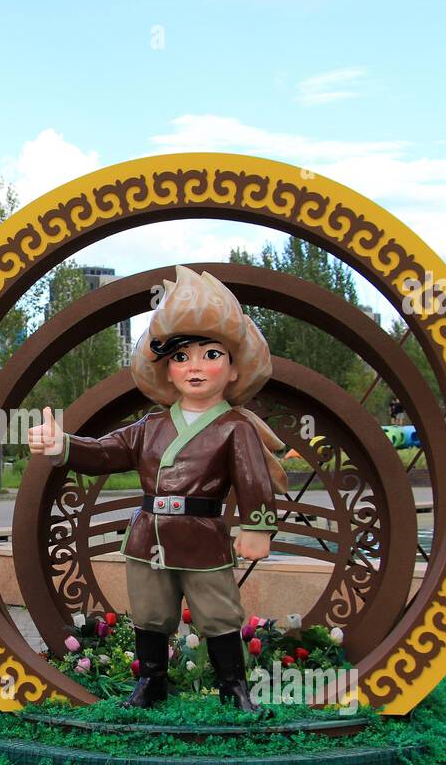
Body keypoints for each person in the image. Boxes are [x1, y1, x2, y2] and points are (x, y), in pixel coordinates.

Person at [28, 266, 287, 711]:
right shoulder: (150, 427)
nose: (196, 367)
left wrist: (257, 526)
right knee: (150, 612)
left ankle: (233, 689)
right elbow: (105, 453)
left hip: (202, 537)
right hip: (148, 536)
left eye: (211, 354)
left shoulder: (234, 427)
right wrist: (62, 445)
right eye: (182, 357)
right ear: (167, 370)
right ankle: (151, 684)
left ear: (232, 368)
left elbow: (253, 480)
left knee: (218, 614)